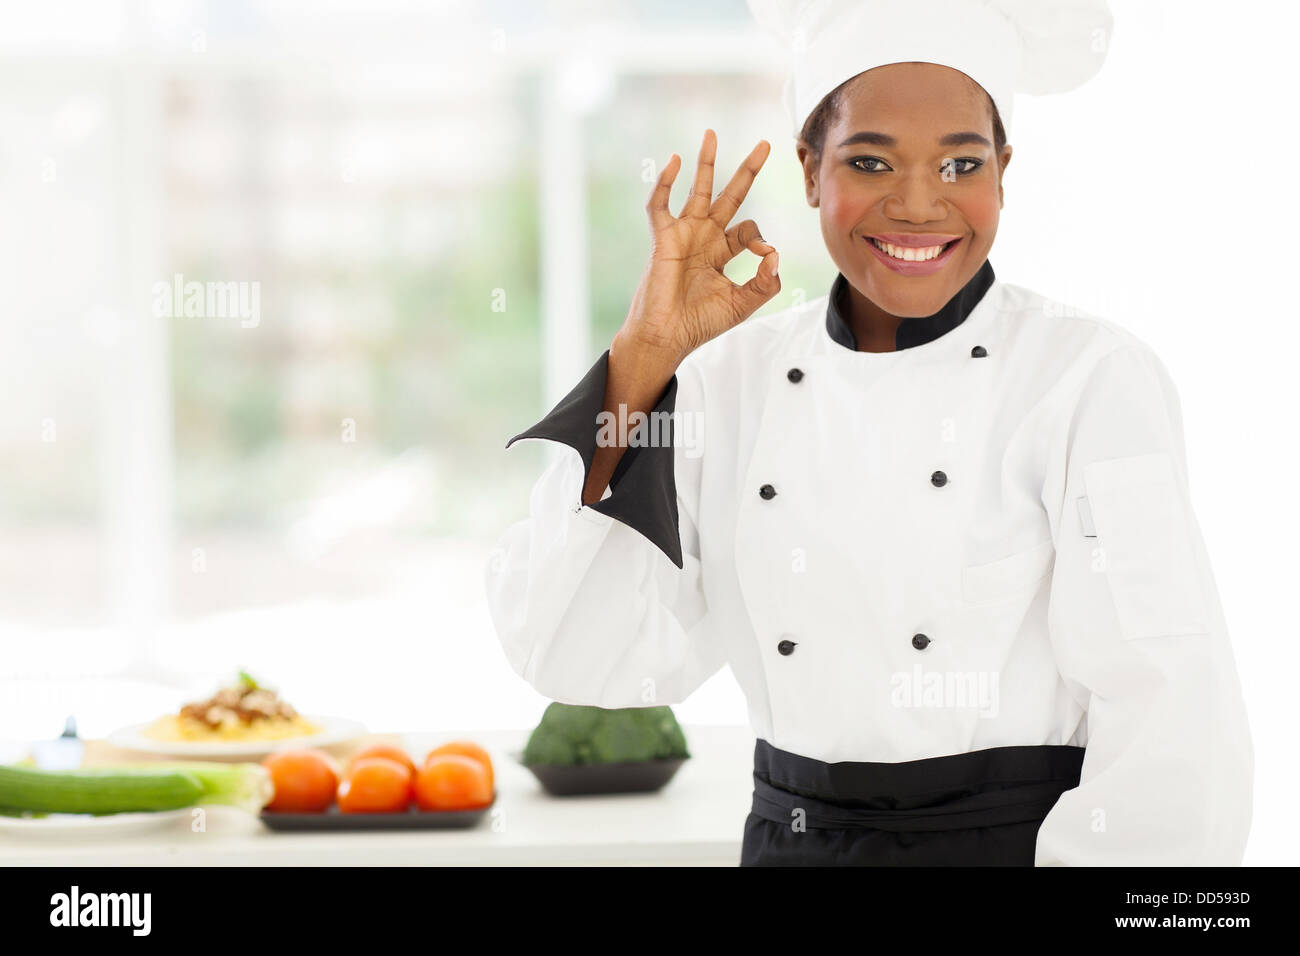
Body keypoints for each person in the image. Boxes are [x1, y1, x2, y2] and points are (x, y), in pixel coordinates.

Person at [484, 0, 1254, 865]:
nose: (919, 205)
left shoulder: (1090, 378)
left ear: (1005, 170)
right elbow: (573, 652)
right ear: (811, 171)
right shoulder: (724, 382)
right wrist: (641, 358)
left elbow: (1172, 716)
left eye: (961, 163)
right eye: (869, 160)